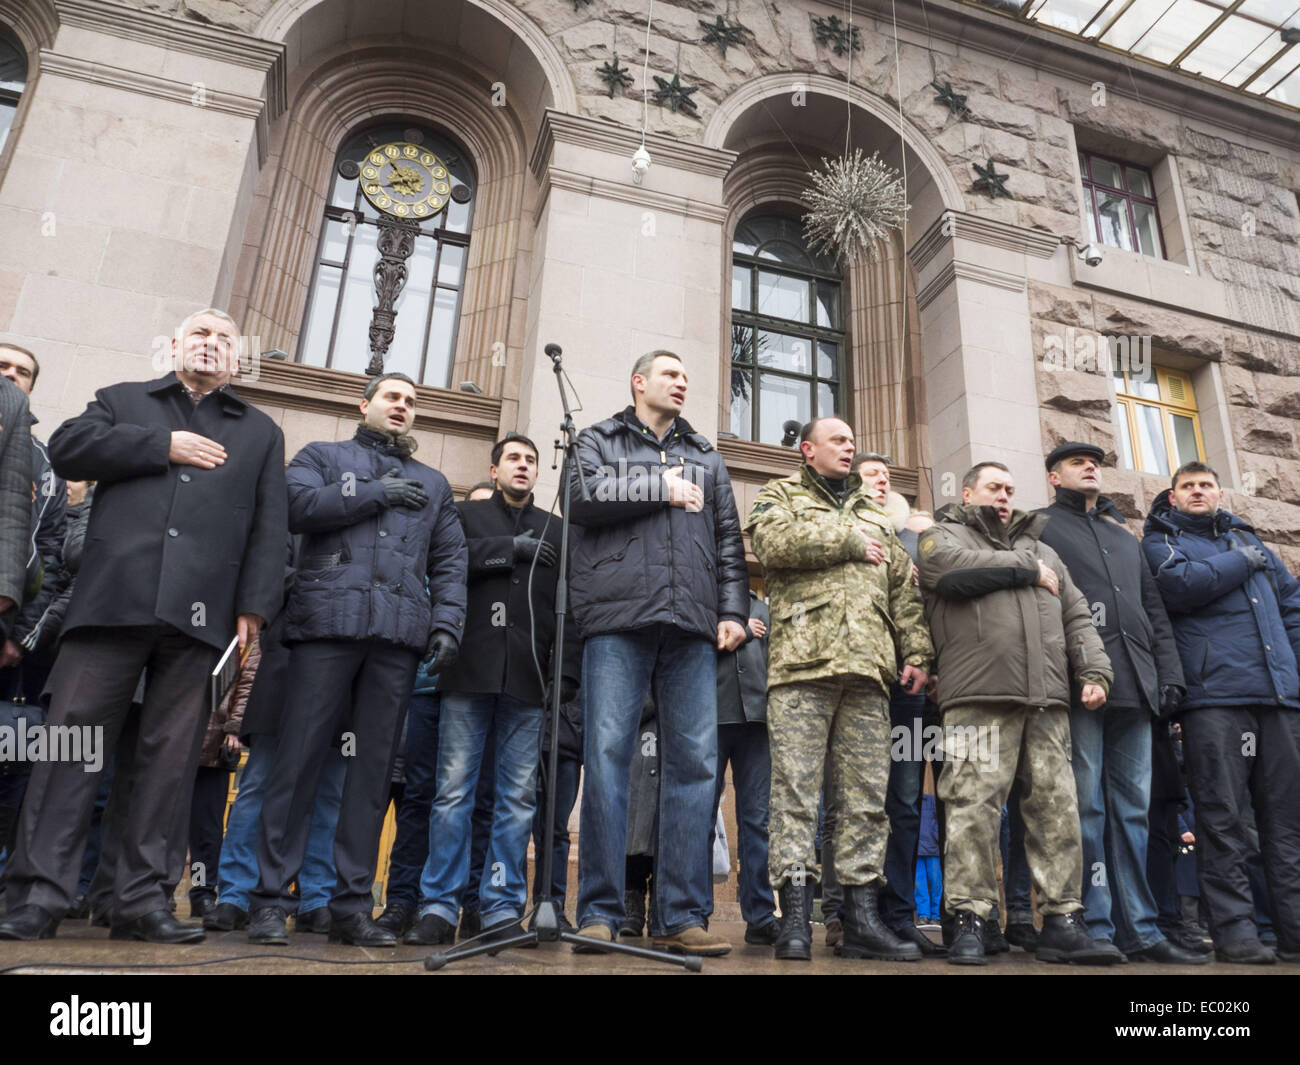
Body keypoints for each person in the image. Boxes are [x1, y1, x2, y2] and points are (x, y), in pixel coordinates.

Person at [0, 308, 288, 943]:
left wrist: (255, 609)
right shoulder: (122, 399)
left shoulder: (262, 431)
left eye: (223, 339)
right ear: (175, 346)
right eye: (199, 335)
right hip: (111, 604)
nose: (210, 345)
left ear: (237, 360)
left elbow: (270, 527)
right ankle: (36, 898)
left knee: (170, 761)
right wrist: (160, 445)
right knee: (68, 749)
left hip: (202, 619)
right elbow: (71, 448)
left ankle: (141, 901)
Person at [248, 373, 466, 948]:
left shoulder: (435, 484)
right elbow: (294, 506)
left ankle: (350, 905)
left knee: (370, 779)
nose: (403, 406)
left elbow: (449, 563)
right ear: (364, 403)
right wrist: (376, 493)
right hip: (324, 626)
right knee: (296, 765)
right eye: (393, 397)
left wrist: (446, 625)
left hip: (396, 640)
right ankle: (270, 899)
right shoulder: (322, 455)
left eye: (412, 402)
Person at [567, 350, 748, 957]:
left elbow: (728, 541)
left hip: (693, 625)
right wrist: (660, 488)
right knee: (608, 758)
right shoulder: (596, 438)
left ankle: (681, 914)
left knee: (696, 766)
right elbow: (582, 497)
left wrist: (731, 611)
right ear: (638, 382)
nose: (682, 382)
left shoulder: (708, 458)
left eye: (686, 377)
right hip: (617, 619)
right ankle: (598, 911)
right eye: (670, 374)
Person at [918, 460, 1121, 966]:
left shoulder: (1044, 547)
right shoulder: (942, 536)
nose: (1005, 496)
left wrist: (1095, 673)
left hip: (1048, 700)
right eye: (993, 487)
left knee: (1056, 812)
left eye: (1010, 488)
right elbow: (948, 575)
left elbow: (1076, 614)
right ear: (967, 494)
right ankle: (969, 919)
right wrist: (1027, 572)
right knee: (973, 809)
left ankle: (1062, 921)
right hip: (977, 698)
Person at [746, 418, 932, 962]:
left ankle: (860, 919)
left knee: (864, 802)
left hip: (869, 672)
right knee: (796, 797)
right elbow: (772, 543)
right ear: (808, 449)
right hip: (803, 666)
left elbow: (903, 588)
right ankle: (796, 919)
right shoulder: (781, 493)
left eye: (853, 441)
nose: (849, 447)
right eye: (838, 440)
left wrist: (917, 652)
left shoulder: (877, 512)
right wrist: (848, 540)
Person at [1037, 441, 1205, 965]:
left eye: (1095, 463)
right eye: (1077, 463)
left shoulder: (1123, 536)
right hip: (1081, 686)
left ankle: (1142, 929)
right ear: (1053, 477)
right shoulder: (1039, 527)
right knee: (1085, 810)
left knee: (1133, 812)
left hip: (1137, 689)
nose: (1091, 468)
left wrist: (1168, 678)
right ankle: (1095, 923)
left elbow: (1153, 610)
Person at [406, 433, 562, 946]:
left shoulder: (558, 530)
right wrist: (506, 552)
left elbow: (571, 612)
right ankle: (438, 906)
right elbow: (441, 564)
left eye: (531, 460)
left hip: (528, 681)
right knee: (453, 794)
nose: (523, 466)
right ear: (494, 470)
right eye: (513, 458)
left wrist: (566, 676)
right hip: (468, 674)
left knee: (517, 799)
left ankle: (499, 906)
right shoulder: (464, 517)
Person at [1141, 460, 1300, 964]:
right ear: (1172, 497)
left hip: (1277, 699)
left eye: (1205, 485)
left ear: (1220, 494)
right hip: (1214, 699)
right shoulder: (1162, 541)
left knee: (1285, 822)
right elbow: (1180, 586)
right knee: (1222, 820)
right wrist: (1244, 562)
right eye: (1186, 486)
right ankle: (1236, 934)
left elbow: (1293, 608)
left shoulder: (1253, 543)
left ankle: (1294, 930)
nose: (1196, 492)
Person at [852, 452, 944, 957]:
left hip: (908, 687)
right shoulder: (841, 523)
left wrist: (924, 663)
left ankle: (900, 915)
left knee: (906, 802)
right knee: (854, 802)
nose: (882, 479)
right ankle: (850, 914)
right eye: (870, 473)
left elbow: (921, 611)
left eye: (886, 475)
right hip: (858, 681)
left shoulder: (917, 542)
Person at [710, 590, 778, 944]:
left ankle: (761, 914)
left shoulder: (764, 609)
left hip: (758, 723)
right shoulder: (703, 599)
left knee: (757, 821)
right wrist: (745, 631)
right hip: (710, 718)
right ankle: (691, 912)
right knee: (699, 816)